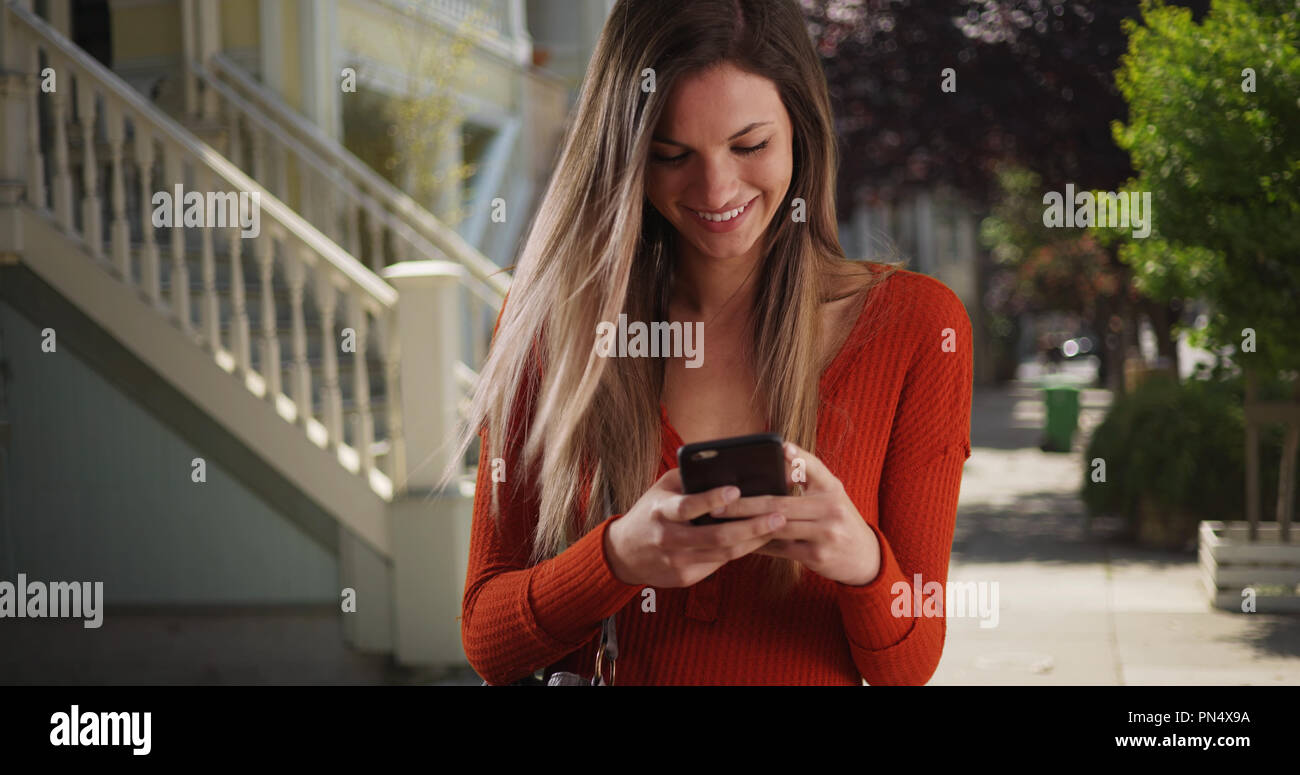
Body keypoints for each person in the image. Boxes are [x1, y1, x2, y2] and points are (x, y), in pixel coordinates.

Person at [448, 0, 973, 686]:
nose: (717, 189)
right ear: (627, 156)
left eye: (749, 146)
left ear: (802, 130)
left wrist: (862, 562)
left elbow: (910, 664)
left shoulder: (916, 328)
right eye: (671, 155)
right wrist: (616, 558)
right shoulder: (554, 324)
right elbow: (487, 640)